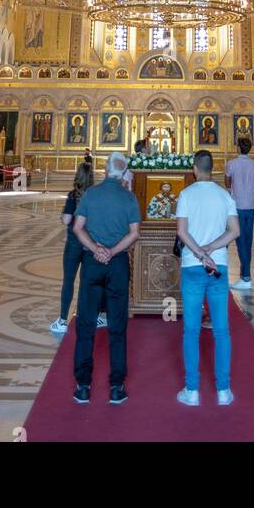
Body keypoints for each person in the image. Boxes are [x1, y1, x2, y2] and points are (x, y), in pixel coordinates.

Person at [72, 151, 141, 404]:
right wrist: (111, 252)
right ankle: (116, 387)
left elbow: (77, 227)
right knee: (117, 326)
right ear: (123, 173)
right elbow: (134, 234)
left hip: (92, 264)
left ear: (105, 170)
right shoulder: (129, 198)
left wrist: (96, 250)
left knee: (86, 324)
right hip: (118, 264)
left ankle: (82, 386)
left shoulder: (91, 195)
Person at [175, 149, 240, 407]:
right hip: (218, 268)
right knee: (222, 331)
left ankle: (192, 391)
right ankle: (223, 391)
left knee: (190, 331)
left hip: (192, 267)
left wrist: (201, 253)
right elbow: (234, 231)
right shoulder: (225, 195)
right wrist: (212, 249)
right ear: (212, 168)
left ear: (194, 168)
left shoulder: (186, 194)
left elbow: (182, 231)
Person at [50, 163, 106, 337]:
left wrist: (64, 216)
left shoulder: (73, 196)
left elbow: (67, 220)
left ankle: (62, 320)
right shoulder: (96, 196)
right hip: (90, 244)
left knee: (68, 280)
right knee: (88, 282)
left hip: (74, 244)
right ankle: (91, 316)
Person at [225, 137, 254, 291]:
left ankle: (245, 277)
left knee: (234, 241)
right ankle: (245, 276)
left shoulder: (232, 164)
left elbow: (227, 183)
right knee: (247, 241)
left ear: (238, 148)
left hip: (236, 206)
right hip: (250, 206)